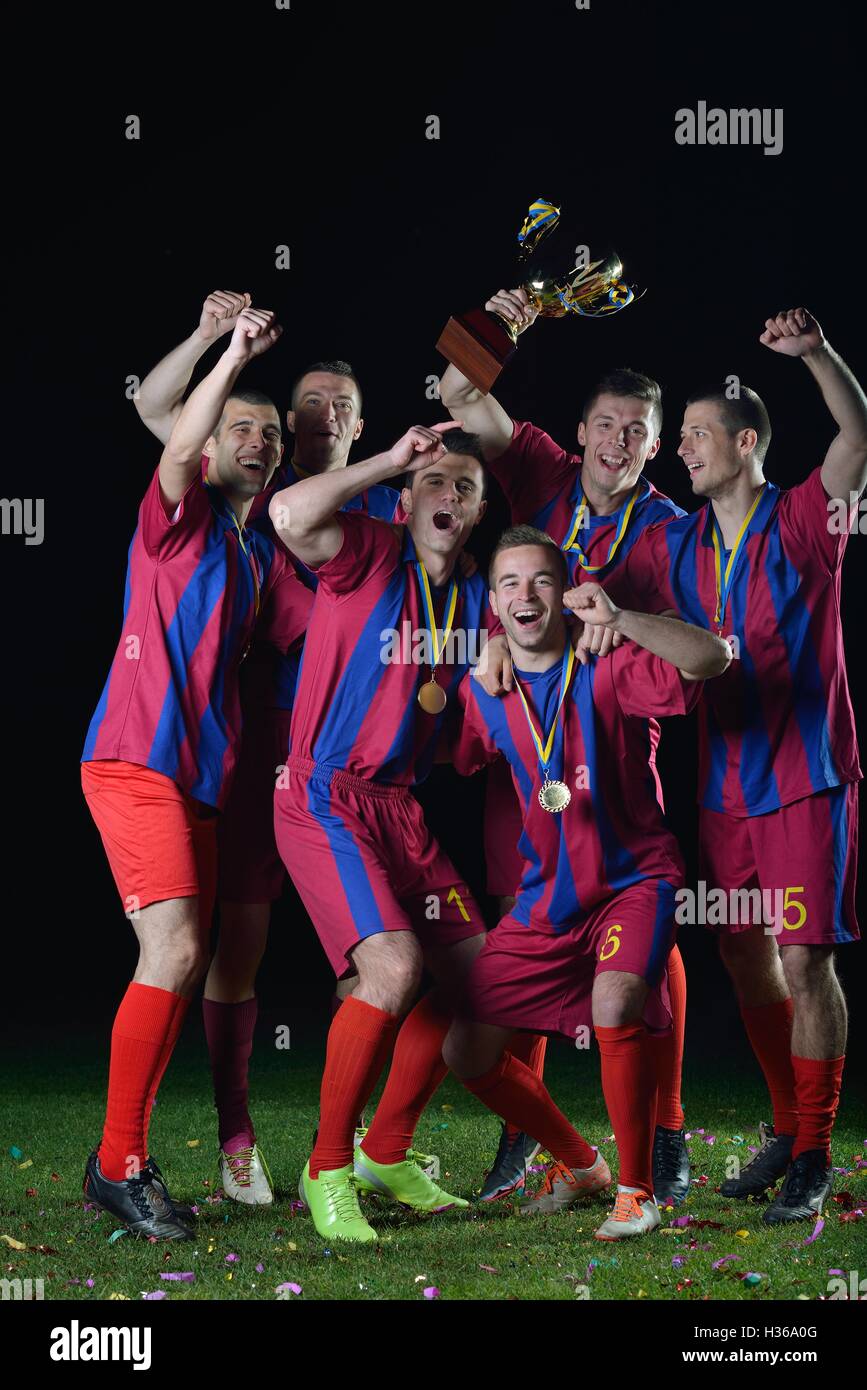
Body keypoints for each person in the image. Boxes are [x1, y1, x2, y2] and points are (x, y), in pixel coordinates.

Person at [134, 291, 400, 1202]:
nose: (321, 417)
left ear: (361, 426)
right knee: (223, 947)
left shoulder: (381, 513)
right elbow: (156, 415)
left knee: (377, 954)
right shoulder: (234, 520)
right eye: (305, 407)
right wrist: (215, 339)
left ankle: (352, 1141)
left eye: (340, 406)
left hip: (349, 769)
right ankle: (234, 1134)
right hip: (236, 761)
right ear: (274, 431)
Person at [439, 291, 690, 1204]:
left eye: (639, 430)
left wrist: (620, 622)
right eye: (607, 425)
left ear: (654, 446)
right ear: (580, 432)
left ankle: (660, 1137)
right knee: (527, 906)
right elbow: (457, 396)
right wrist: (506, 319)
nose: (619, 442)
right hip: (520, 722)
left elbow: (698, 638)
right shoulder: (542, 469)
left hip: (610, 725)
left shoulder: (667, 527)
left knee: (637, 901)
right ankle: (528, 1121)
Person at [623, 308, 865, 1223]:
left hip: (805, 776)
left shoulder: (805, 517)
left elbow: (858, 436)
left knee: (805, 962)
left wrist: (816, 354)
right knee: (740, 950)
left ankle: (811, 1150)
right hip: (724, 784)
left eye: (693, 436)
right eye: (675, 436)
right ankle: (781, 1122)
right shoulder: (673, 543)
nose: (679, 450)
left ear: (746, 441)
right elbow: (592, 579)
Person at [81, 307, 311, 1238]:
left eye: (270, 434)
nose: (256, 443)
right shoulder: (175, 519)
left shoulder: (259, 549)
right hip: (134, 762)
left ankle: (123, 1159)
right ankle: (118, 1165)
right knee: (172, 951)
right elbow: (168, 434)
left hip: (202, 786)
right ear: (211, 446)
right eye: (239, 430)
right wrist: (228, 349)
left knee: (188, 965)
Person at [441, 526, 730, 1239]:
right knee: (466, 1051)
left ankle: (636, 1192)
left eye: (540, 580)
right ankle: (579, 1163)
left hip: (635, 880)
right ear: (493, 605)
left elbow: (712, 657)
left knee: (616, 1001)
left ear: (565, 592)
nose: (524, 594)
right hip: (546, 901)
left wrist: (618, 619)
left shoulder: (612, 663)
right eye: (508, 583)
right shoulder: (483, 690)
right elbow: (462, 755)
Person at [268, 423, 497, 1242]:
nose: (449, 496)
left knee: (481, 983)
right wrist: (393, 458)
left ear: (476, 513)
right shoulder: (366, 548)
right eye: (434, 483)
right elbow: (290, 513)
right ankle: (327, 1166)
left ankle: (387, 1153)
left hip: (400, 808)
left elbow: (483, 724)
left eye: (464, 488)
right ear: (404, 501)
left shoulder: (476, 599)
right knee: (393, 969)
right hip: (323, 794)